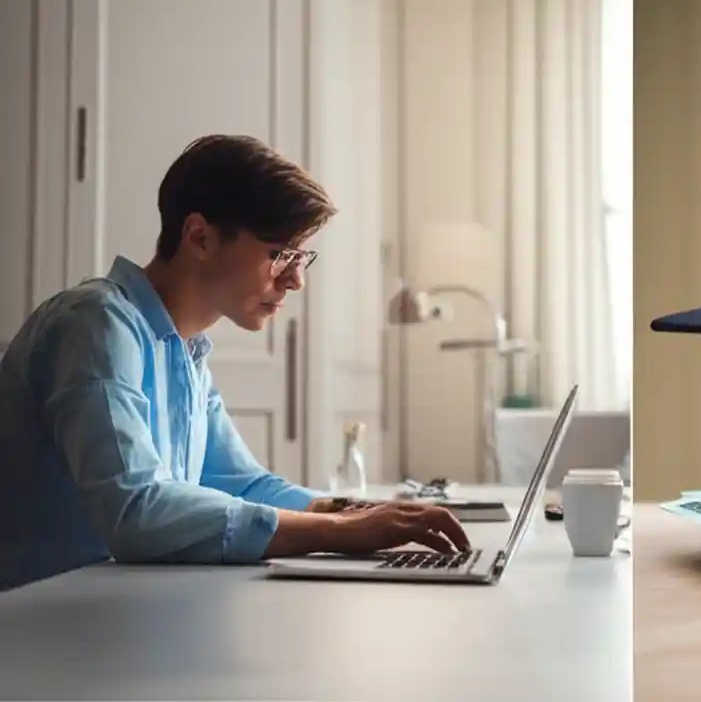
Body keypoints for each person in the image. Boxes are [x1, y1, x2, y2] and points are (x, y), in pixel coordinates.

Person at [0, 134, 468, 592]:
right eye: (280, 254)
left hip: (108, 612)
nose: (296, 281)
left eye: (302, 257)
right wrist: (342, 532)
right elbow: (136, 511)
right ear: (200, 237)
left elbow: (244, 487)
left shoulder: (186, 351)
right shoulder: (96, 324)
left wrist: (368, 513)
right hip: (35, 630)